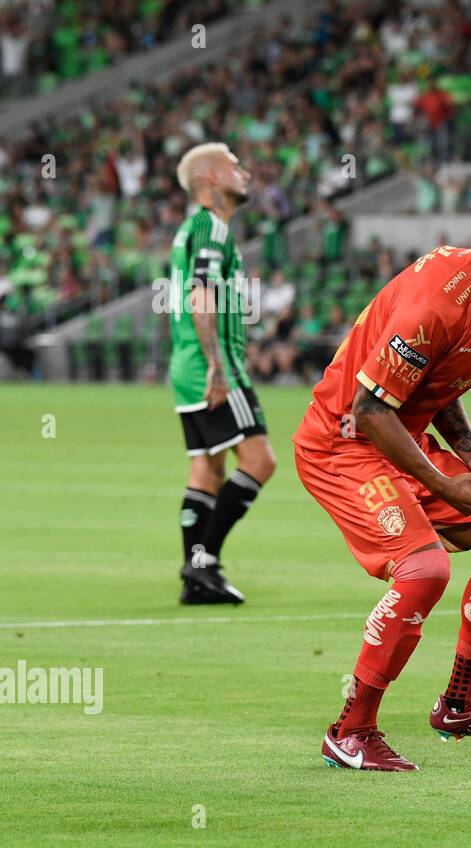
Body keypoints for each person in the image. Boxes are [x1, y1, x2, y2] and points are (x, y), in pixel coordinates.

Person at [293, 193, 471, 771]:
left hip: (395, 437)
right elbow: (369, 409)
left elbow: (438, 386)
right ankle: (351, 731)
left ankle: (463, 702)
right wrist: (446, 485)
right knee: (425, 570)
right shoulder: (439, 300)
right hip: (343, 444)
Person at [169, 143, 276, 606]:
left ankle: (197, 580)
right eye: (235, 165)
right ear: (213, 177)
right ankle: (203, 564)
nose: (245, 172)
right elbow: (200, 293)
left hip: (186, 365)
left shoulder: (193, 229)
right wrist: (216, 364)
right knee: (260, 461)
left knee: (207, 470)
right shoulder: (209, 226)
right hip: (213, 363)